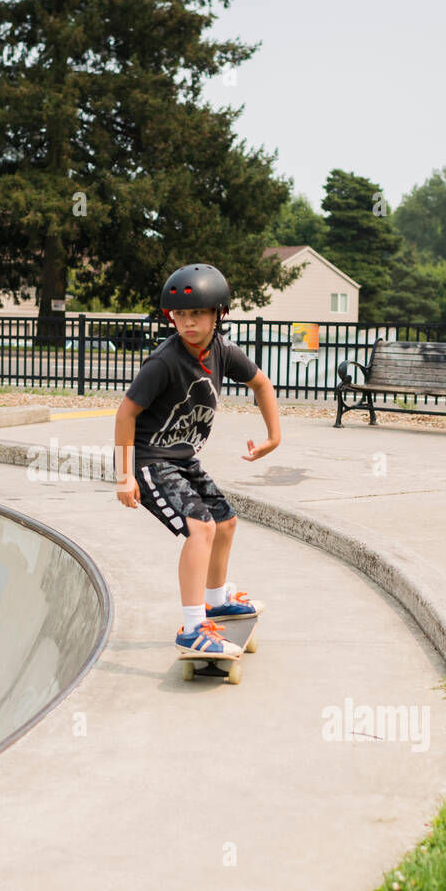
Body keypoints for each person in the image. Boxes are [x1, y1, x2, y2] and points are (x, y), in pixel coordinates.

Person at [114, 263, 281, 658]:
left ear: (218, 315)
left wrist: (274, 436)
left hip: (183, 458)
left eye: (198, 314)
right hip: (150, 461)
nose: (188, 323)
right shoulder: (164, 362)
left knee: (226, 522)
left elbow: (261, 383)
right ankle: (192, 627)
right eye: (180, 315)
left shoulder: (223, 352)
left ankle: (217, 599)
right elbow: (125, 414)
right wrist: (124, 476)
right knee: (200, 528)